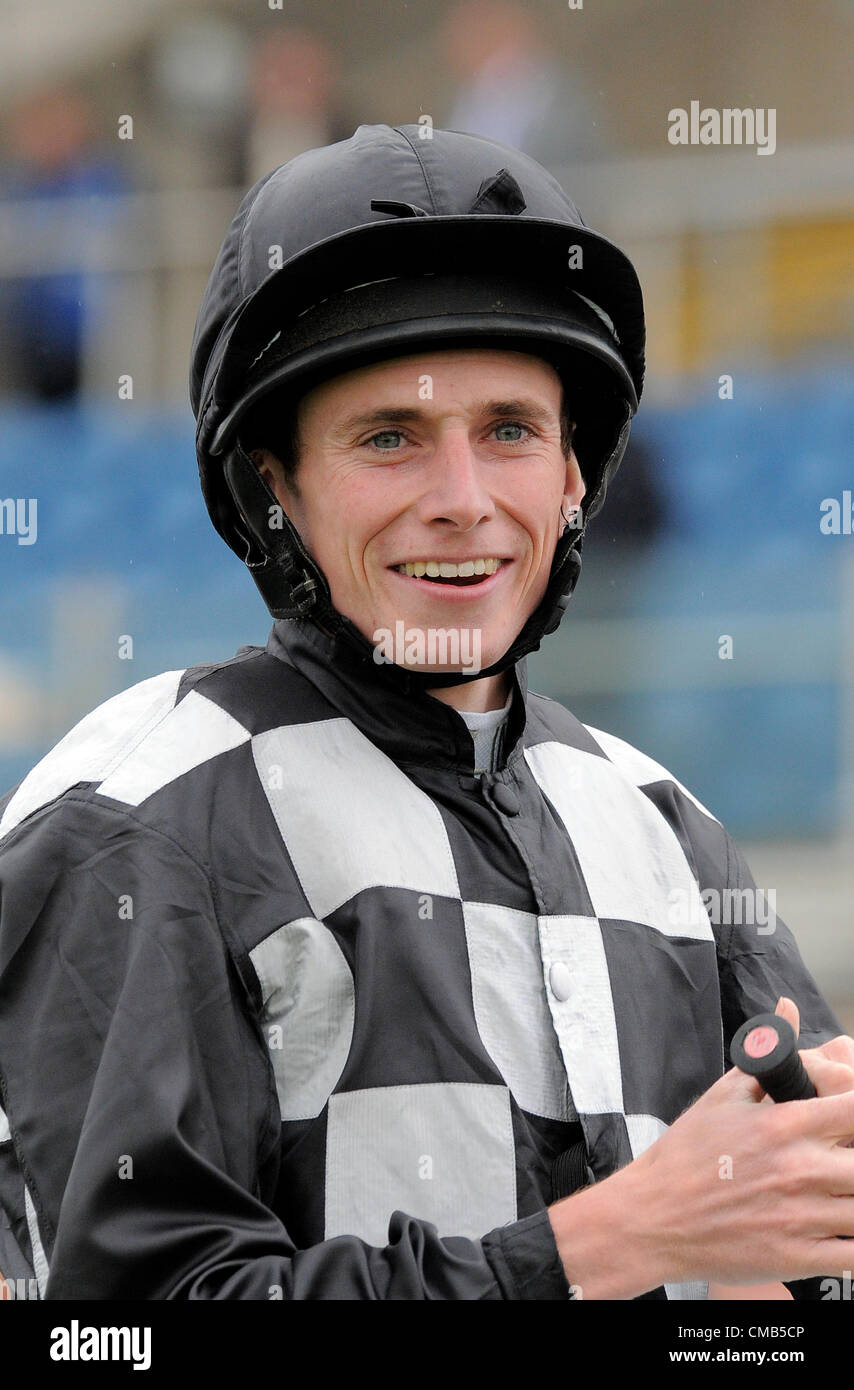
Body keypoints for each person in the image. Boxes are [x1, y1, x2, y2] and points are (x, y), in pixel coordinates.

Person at [0, 124, 852, 1302]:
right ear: (272, 485)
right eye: (390, 438)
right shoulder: (137, 817)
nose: (462, 501)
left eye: (508, 430)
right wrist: (610, 1243)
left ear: (570, 477)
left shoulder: (669, 828)